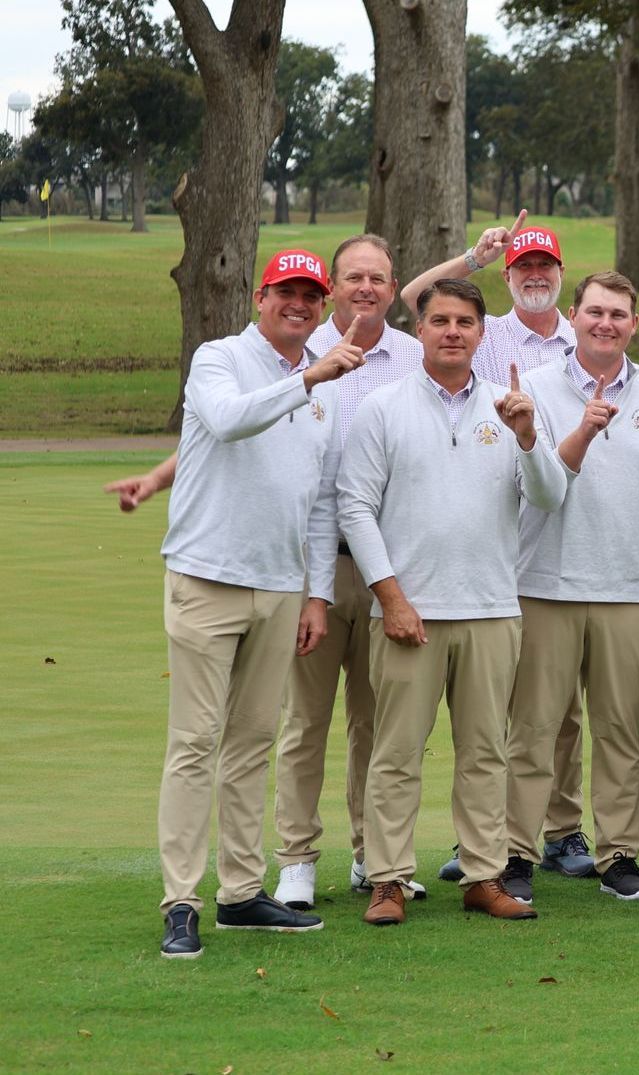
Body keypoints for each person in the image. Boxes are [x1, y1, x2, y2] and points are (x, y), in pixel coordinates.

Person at [337, 278, 571, 926]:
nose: (452, 331)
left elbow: (550, 496)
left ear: (480, 331)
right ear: (421, 330)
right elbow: (354, 505)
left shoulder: (512, 405)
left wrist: (527, 436)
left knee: (484, 752)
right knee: (396, 752)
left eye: (465, 321)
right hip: (408, 612)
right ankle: (388, 878)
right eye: (439, 320)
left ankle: (483, 874)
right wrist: (391, 595)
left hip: (492, 608)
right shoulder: (383, 408)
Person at [153, 248, 362, 958]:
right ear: (261, 296)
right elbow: (228, 420)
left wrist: (314, 593)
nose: (298, 304)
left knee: (250, 744)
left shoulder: (316, 385)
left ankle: (241, 892)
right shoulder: (219, 358)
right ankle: (181, 900)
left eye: (311, 294)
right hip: (208, 575)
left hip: (278, 588)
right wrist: (309, 378)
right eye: (286, 292)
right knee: (194, 742)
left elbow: (312, 500)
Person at [401, 213, 595, 879]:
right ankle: (480, 840)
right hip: (489, 549)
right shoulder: (483, 333)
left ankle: (563, 828)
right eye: (522, 267)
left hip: (560, 544)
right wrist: (472, 259)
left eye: (544, 266)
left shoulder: (586, 337)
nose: (534, 275)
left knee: (556, 706)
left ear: (559, 274)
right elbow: (413, 301)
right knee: (490, 715)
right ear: (509, 276)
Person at [501, 271, 639, 905]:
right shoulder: (536, 391)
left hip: (630, 590)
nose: (606, 324)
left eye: (619, 315)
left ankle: (618, 856)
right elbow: (536, 487)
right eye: (595, 312)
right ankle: (518, 854)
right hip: (544, 584)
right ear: (573, 317)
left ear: (634, 325)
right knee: (534, 729)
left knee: (618, 730)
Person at [269, 235, 428, 910]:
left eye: (379, 278)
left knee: (377, 722)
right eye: (354, 277)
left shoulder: (416, 357)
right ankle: (297, 859)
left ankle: (374, 854)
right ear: (333, 287)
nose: (366, 287)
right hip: (312, 565)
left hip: (388, 569)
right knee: (306, 722)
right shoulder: (296, 357)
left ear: (394, 290)